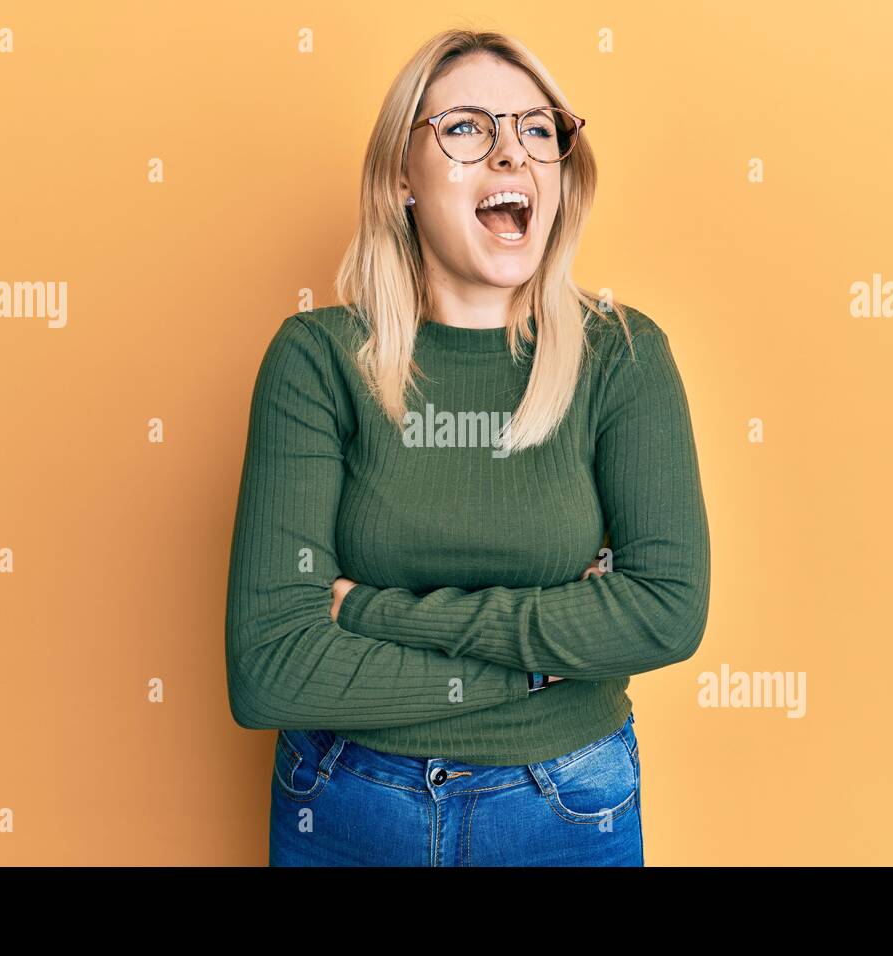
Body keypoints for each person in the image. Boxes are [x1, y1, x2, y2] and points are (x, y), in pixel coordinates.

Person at [225, 28, 711, 866]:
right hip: (346, 803)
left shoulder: (623, 358)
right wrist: (546, 664)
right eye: (465, 129)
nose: (511, 154)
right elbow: (272, 667)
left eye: (535, 128)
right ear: (399, 178)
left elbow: (665, 612)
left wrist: (366, 610)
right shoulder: (317, 359)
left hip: (565, 809)